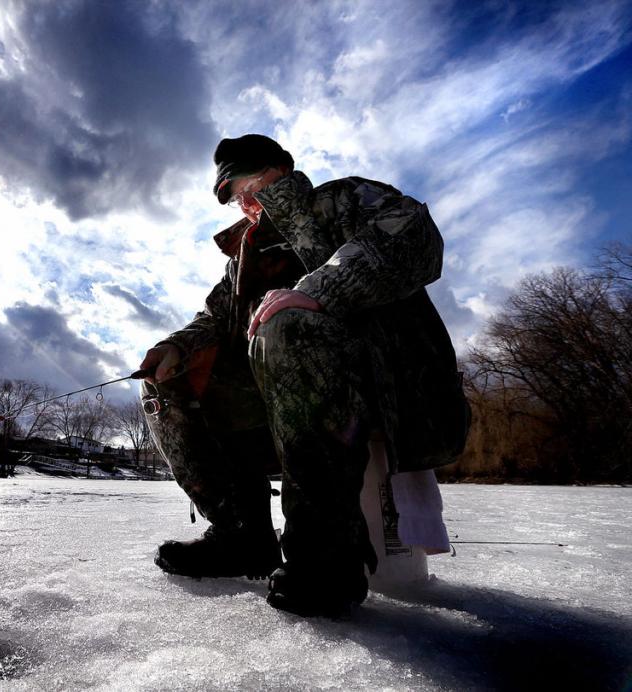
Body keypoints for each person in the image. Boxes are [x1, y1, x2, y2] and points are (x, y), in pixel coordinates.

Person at [139, 134, 469, 617]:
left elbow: (415, 238)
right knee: (168, 378)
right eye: (230, 194)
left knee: (285, 322)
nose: (240, 199)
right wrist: (173, 348)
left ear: (277, 170)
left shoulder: (342, 201)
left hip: (388, 390)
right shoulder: (242, 259)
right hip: (285, 414)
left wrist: (318, 290)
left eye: (246, 182)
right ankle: (240, 535)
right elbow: (212, 319)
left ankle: (327, 555)